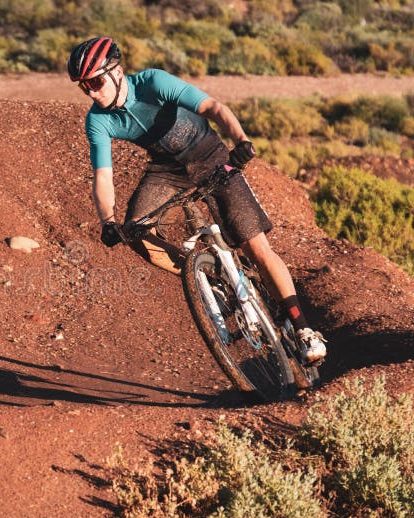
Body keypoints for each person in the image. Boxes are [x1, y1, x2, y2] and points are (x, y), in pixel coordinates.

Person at [67, 36, 327, 364]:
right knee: (135, 229)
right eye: (83, 86)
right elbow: (103, 176)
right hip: (167, 171)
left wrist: (241, 142)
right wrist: (108, 221)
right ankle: (203, 276)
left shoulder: (153, 82)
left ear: (117, 71)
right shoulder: (98, 120)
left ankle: (303, 329)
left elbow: (213, 108)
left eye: (94, 81)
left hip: (210, 154)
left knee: (257, 248)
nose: (91, 91)